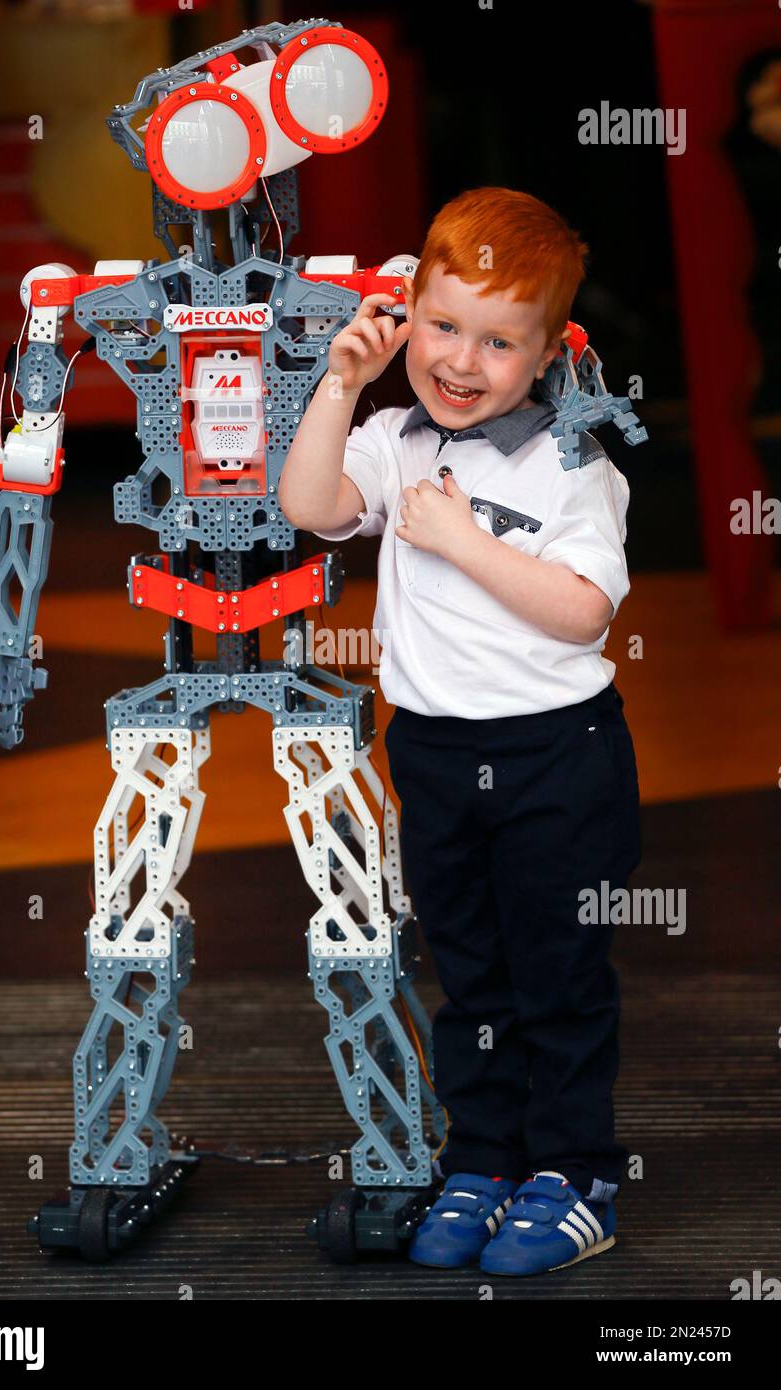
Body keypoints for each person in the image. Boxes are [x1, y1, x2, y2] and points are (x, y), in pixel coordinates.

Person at [278, 186, 641, 1276]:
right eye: (442, 326)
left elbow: (586, 609)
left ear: (546, 355)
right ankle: (483, 1158)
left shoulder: (573, 464)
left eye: (499, 341)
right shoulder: (393, 438)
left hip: (556, 757)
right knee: (473, 975)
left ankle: (574, 1177)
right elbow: (307, 504)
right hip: (434, 754)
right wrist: (342, 381)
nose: (462, 361)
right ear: (408, 315)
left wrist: (462, 539)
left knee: (557, 973)